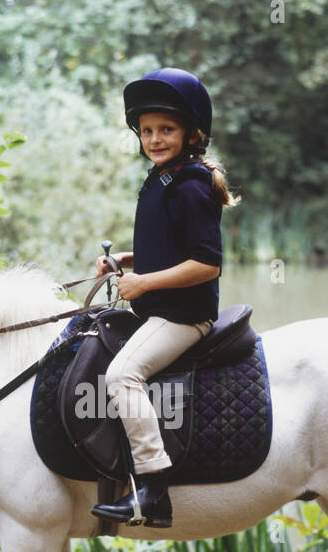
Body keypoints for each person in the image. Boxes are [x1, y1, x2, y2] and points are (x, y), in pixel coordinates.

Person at [90, 67, 240, 528]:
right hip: (160, 308)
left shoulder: (192, 184)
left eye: (167, 130)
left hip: (183, 316)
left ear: (191, 133)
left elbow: (206, 263)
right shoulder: (161, 177)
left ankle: (152, 490)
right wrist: (129, 262)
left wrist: (145, 285)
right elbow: (167, 249)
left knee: (122, 376)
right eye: (148, 130)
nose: (155, 138)